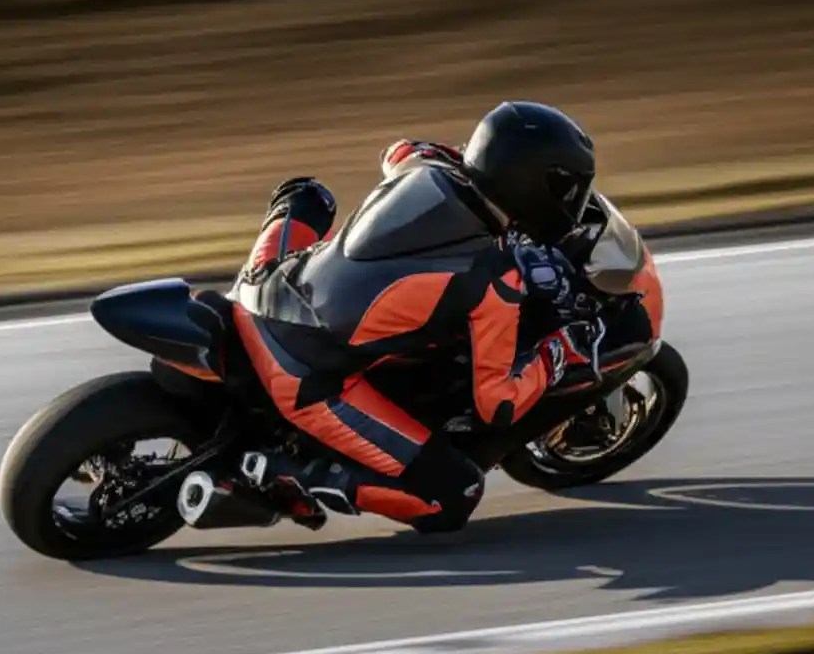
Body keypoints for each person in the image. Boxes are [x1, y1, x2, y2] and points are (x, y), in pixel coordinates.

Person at [225, 101, 605, 533]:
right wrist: (557, 354)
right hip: (304, 377)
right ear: (534, 185)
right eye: (567, 188)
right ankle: (290, 473)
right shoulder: (495, 281)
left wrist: (464, 159)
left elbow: (399, 150)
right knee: (455, 494)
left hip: (266, 283)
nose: (572, 199)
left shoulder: (423, 165)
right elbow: (496, 404)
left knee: (309, 195)